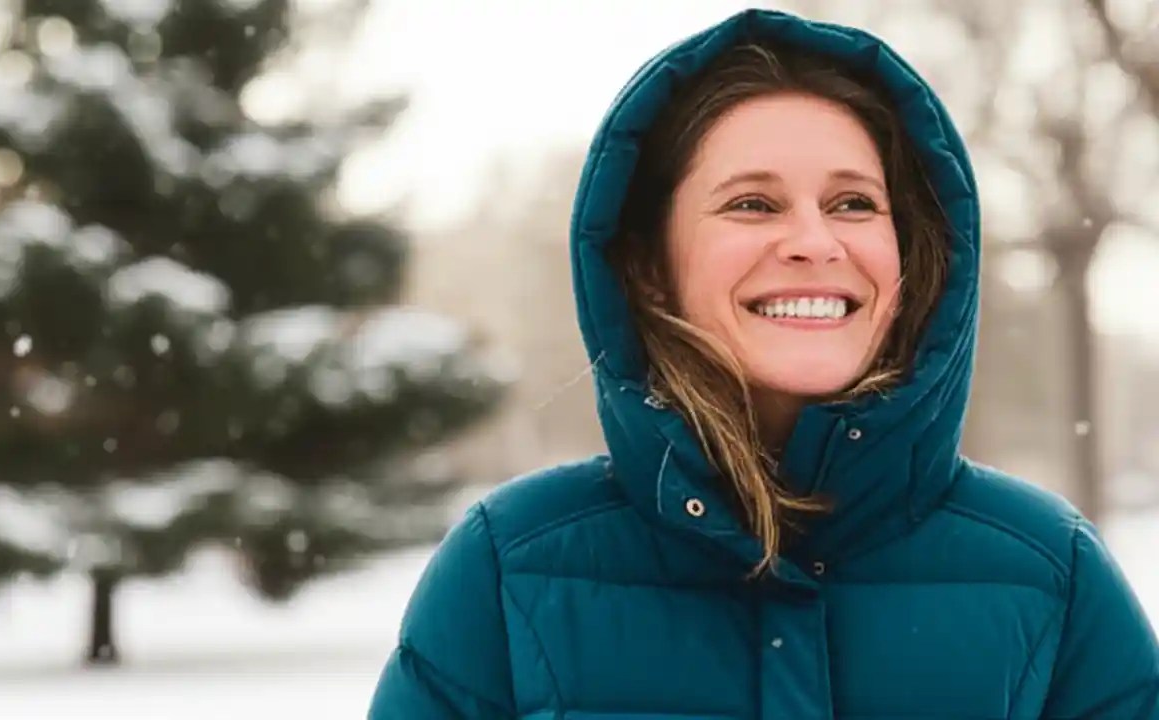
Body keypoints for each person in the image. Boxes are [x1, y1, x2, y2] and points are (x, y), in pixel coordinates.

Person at [369, 8, 1159, 719]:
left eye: (853, 203)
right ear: (648, 266)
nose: (815, 241)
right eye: (753, 204)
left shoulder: (1052, 574)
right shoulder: (509, 569)